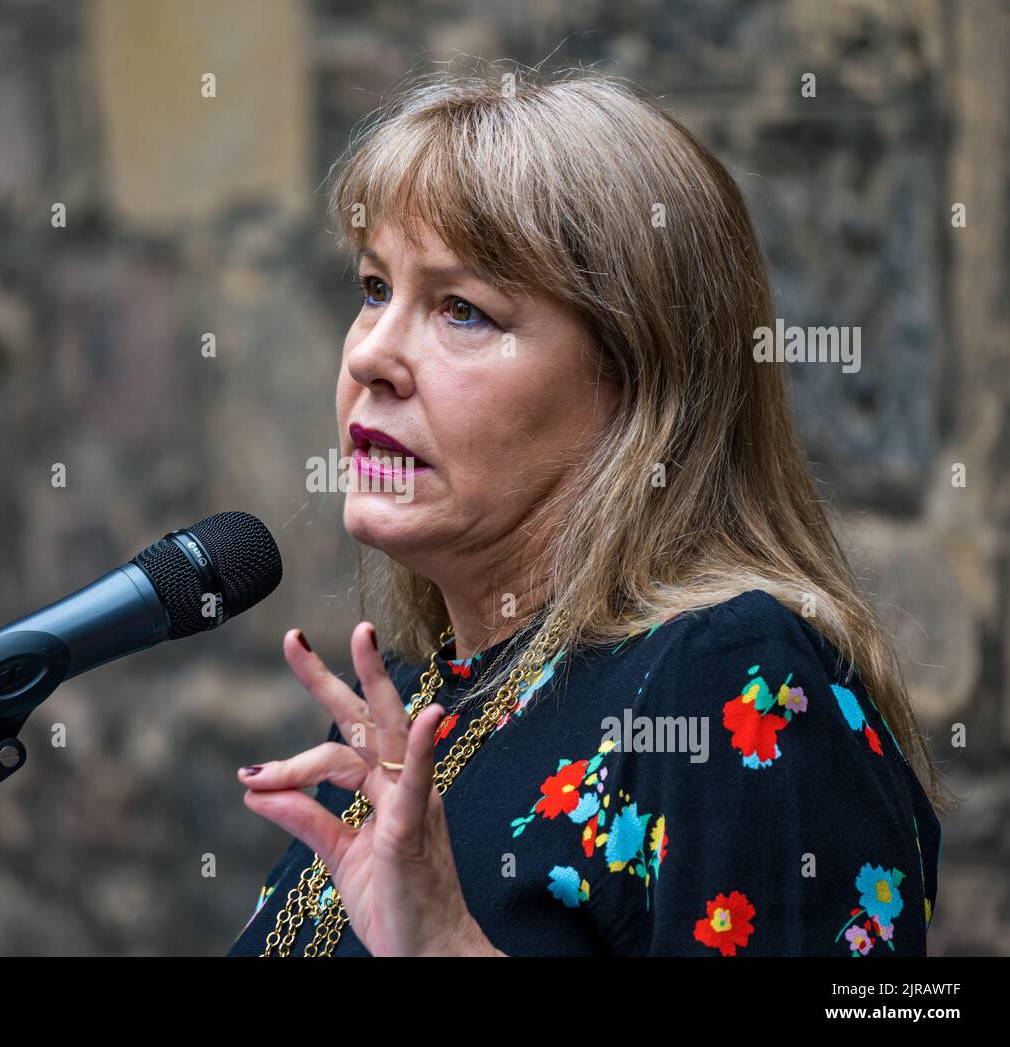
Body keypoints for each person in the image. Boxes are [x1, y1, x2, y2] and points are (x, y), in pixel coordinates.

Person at [226, 68, 952, 957]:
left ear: (639, 389)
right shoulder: (420, 707)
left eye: (463, 309)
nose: (373, 353)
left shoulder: (732, 677)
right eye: (376, 289)